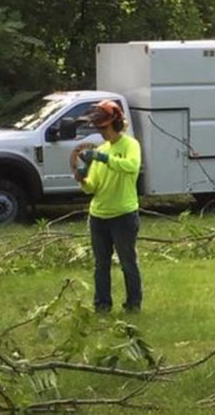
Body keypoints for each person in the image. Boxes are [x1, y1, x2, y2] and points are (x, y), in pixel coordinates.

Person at [74, 99, 143, 313]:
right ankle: (102, 305)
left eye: (103, 127)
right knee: (101, 265)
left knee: (127, 263)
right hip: (98, 216)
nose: (100, 132)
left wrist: (104, 158)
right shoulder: (100, 149)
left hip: (123, 215)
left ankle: (133, 305)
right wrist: (83, 179)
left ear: (116, 124)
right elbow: (93, 186)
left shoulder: (131, 145)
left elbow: (131, 167)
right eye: (98, 128)